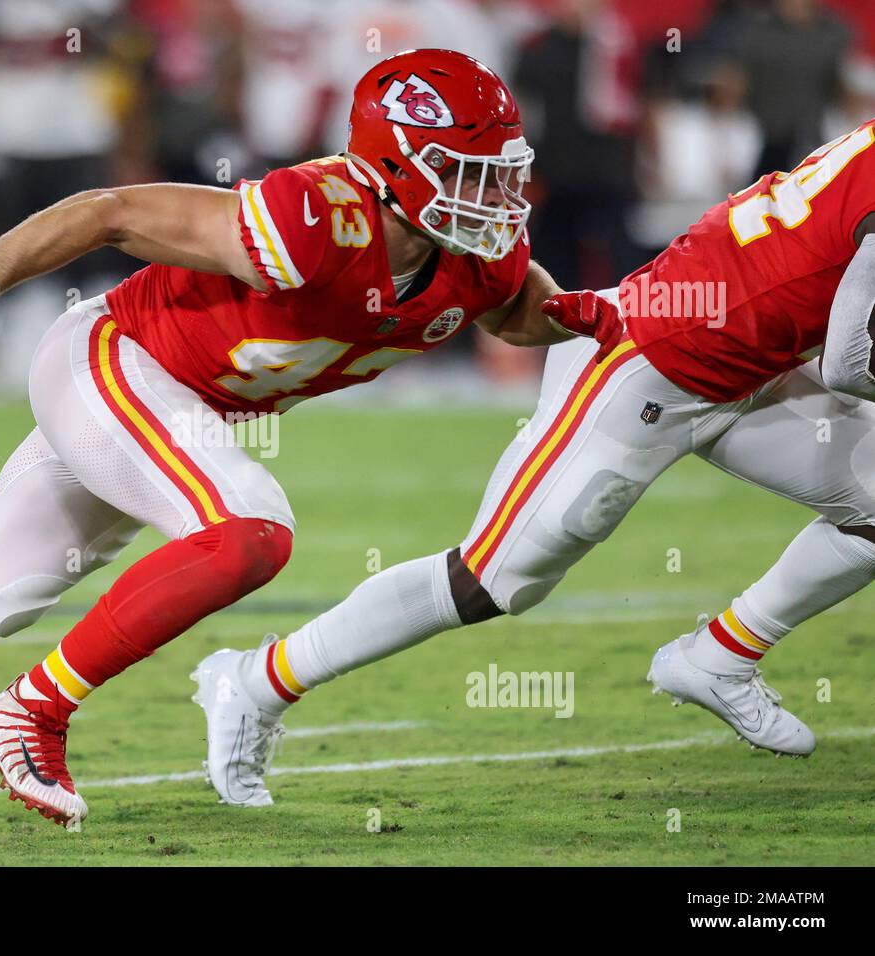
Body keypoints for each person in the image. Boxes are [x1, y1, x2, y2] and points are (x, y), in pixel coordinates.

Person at [0, 50, 566, 839]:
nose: (492, 196)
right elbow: (108, 211)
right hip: (116, 361)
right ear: (387, 166)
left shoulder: (477, 256)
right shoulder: (313, 218)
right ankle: (35, 712)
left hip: (176, 410)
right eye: (465, 171)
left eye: (500, 173)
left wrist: (614, 322)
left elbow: (532, 315)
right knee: (250, 528)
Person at [201, 120, 875, 806]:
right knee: (491, 583)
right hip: (645, 359)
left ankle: (723, 656)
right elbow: (852, 361)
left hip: (755, 361)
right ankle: (256, 681)